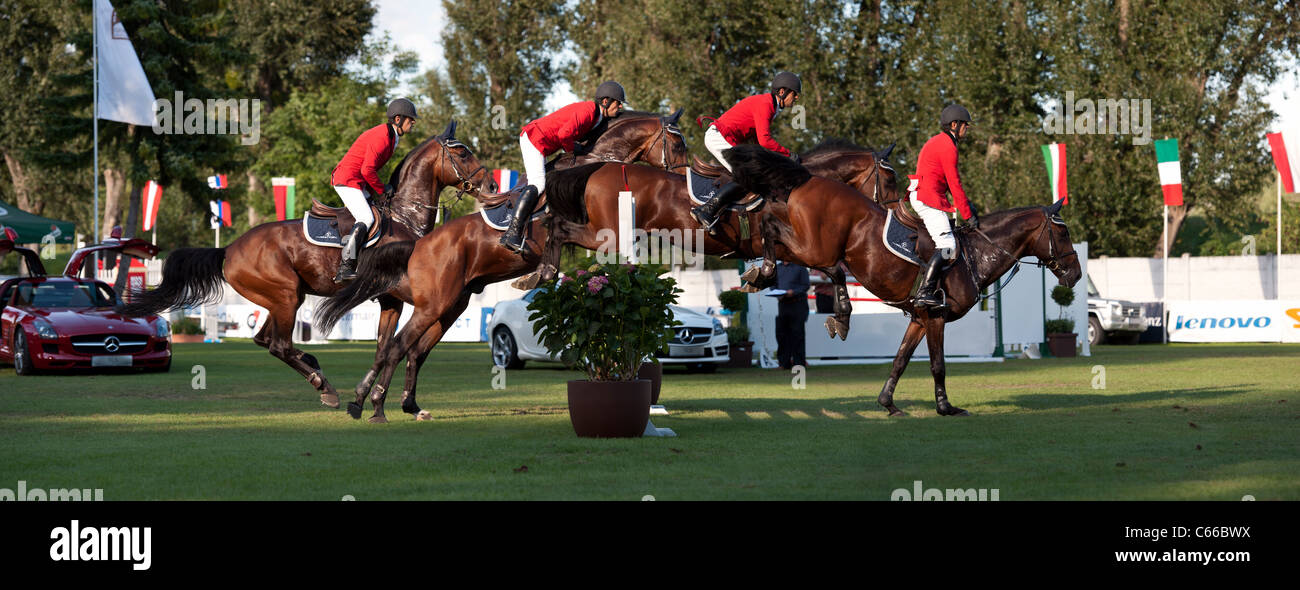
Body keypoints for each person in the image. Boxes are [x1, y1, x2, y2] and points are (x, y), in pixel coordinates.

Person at [500, 81, 630, 253]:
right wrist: (572, 148)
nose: (620, 106)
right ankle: (512, 233)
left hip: (544, 144)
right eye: (617, 102)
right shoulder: (588, 111)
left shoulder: (597, 118)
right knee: (538, 184)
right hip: (534, 139)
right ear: (605, 101)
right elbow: (564, 135)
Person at [691, 72, 801, 233]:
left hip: (727, 139)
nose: (796, 98)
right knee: (748, 175)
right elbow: (764, 140)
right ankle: (706, 210)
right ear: (782, 92)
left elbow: (758, 141)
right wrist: (787, 154)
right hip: (719, 137)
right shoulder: (766, 104)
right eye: (795, 93)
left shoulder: (770, 105)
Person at [330, 98, 418, 283]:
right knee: (367, 218)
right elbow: (367, 170)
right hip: (347, 179)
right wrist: (381, 188)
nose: (413, 122)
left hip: (358, 181)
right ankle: (345, 267)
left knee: (379, 213)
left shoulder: (392, 137)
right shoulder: (382, 137)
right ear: (397, 119)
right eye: (410, 118)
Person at [910, 104, 980, 310]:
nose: (967, 128)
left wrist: (968, 206)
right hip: (928, 197)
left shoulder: (940, 142)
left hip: (928, 194)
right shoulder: (948, 147)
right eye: (965, 125)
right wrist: (968, 215)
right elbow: (954, 184)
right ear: (954, 124)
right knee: (948, 245)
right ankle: (924, 293)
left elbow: (950, 185)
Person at [774, 261, 809, 370]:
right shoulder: (777, 268)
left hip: (798, 303)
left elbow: (805, 285)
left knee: (797, 334)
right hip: (783, 304)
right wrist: (776, 293)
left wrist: (793, 292)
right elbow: (773, 284)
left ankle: (799, 363)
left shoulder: (800, 267)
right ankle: (784, 363)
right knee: (782, 335)